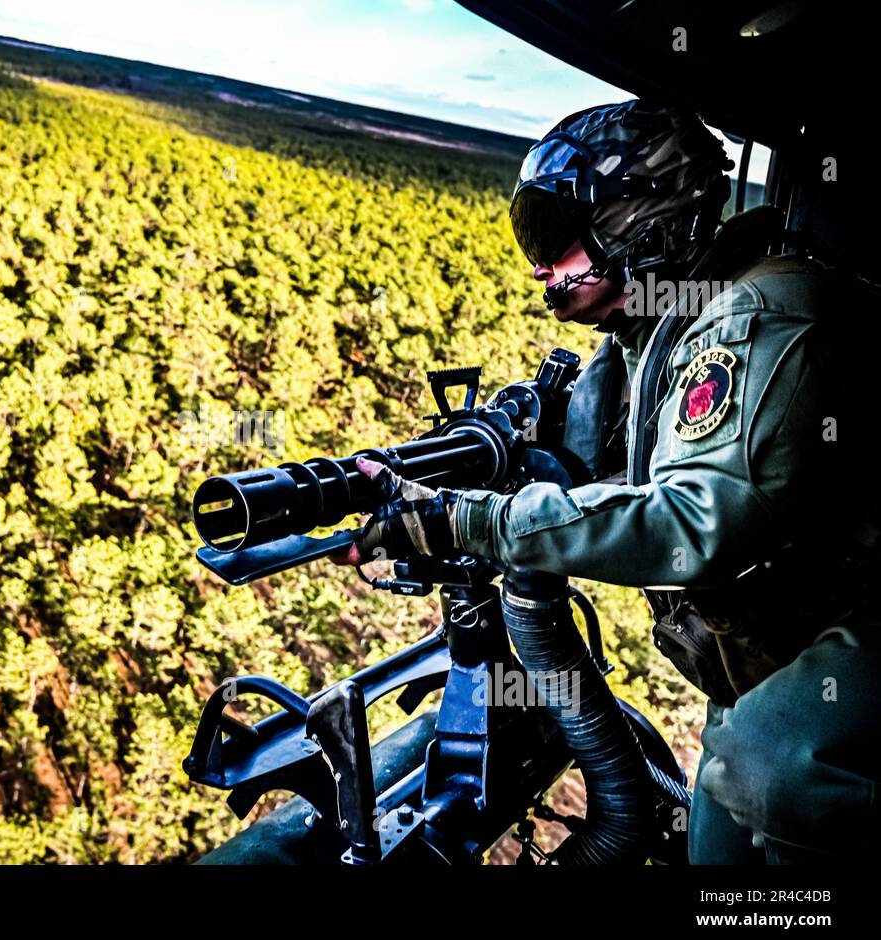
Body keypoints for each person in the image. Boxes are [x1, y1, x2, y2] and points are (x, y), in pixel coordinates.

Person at [332, 99, 881, 864]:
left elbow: (691, 521)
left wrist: (474, 521)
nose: (539, 264)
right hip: (782, 627)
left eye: (555, 235)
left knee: (781, 770)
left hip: (865, 606)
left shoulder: (759, 315)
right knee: (716, 848)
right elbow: (595, 447)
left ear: (641, 218)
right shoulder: (661, 326)